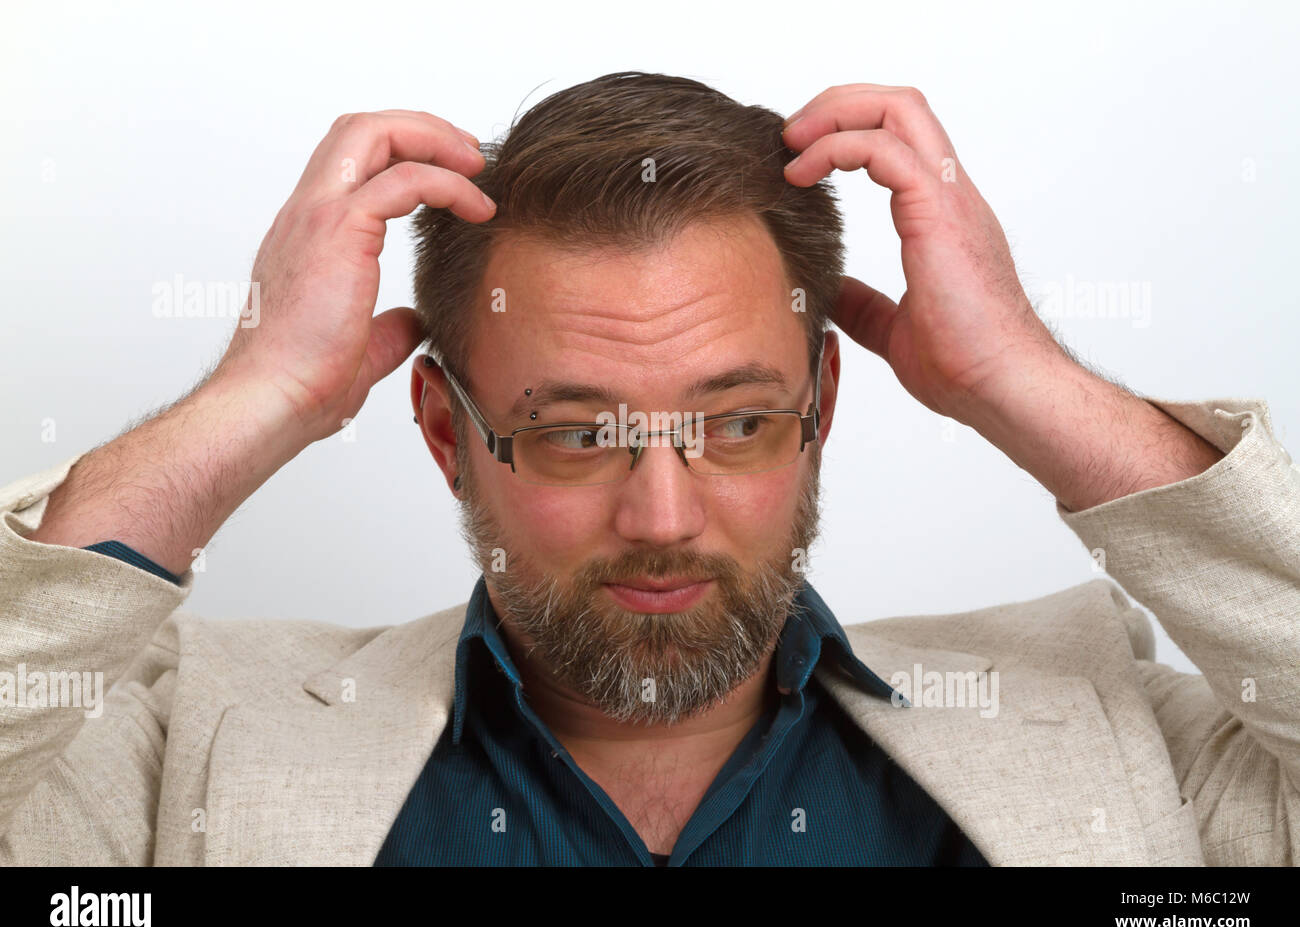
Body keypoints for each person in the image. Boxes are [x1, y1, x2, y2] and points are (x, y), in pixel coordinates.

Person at [1, 72, 1296, 867]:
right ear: (450, 435)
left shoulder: (1111, 732)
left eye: (735, 422)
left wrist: (1028, 383)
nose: (663, 515)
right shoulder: (185, 752)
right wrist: (258, 398)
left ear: (820, 409)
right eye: (577, 433)